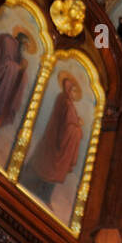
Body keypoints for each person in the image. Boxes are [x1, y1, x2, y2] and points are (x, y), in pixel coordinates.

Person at [22, 74, 83, 208]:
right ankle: (44, 196)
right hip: (58, 144)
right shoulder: (67, 103)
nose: (73, 93)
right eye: (72, 90)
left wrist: (75, 124)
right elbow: (68, 127)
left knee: (43, 164)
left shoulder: (61, 98)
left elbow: (65, 122)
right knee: (53, 169)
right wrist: (78, 129)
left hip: (51, 138)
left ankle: (31, 185)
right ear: (68, 89)